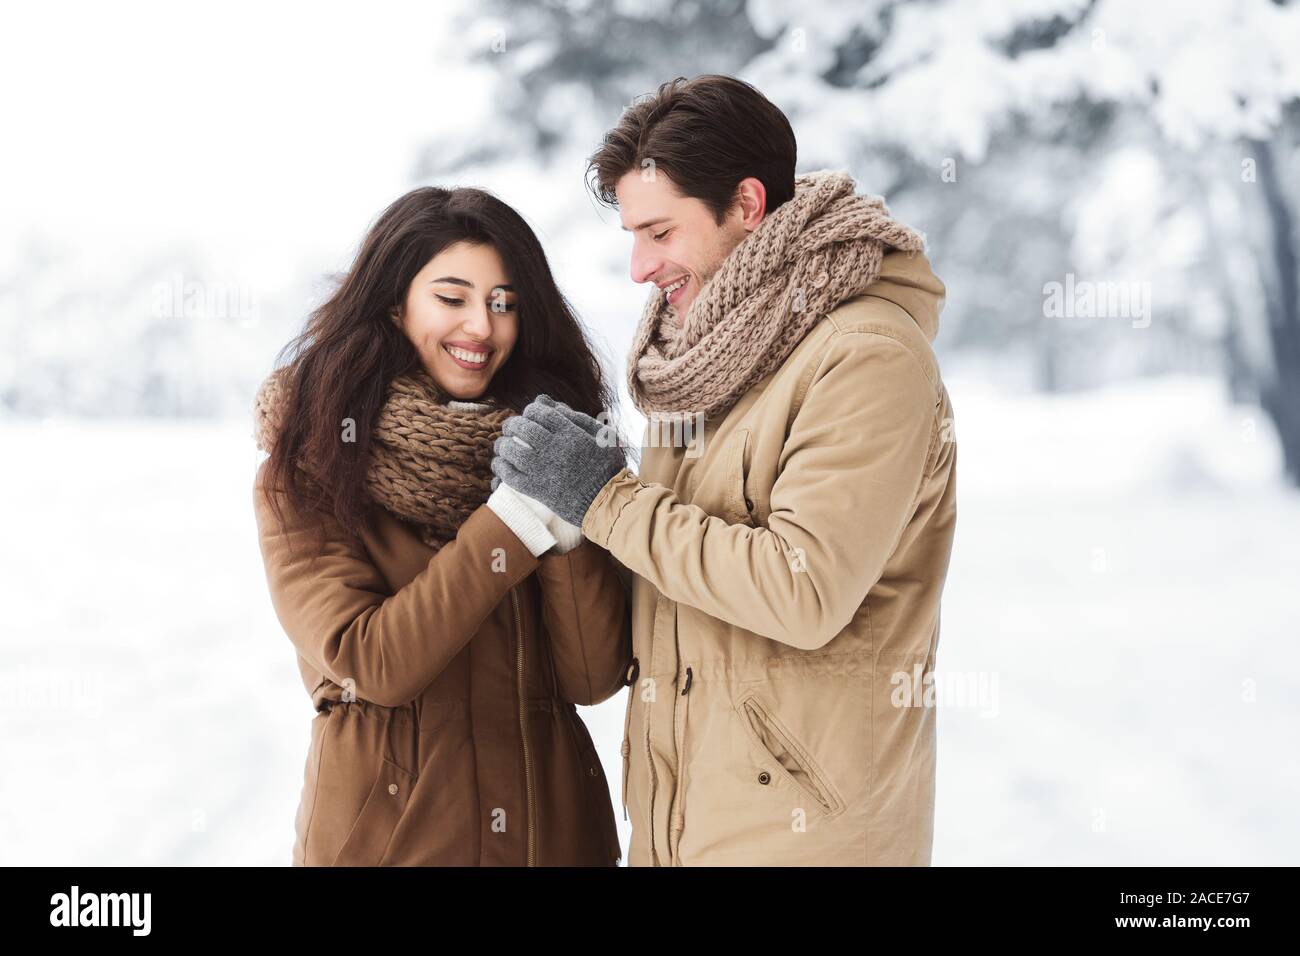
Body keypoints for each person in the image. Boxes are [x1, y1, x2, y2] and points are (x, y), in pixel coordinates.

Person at [491, 75, 958, 866]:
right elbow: (674, 586)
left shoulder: (866, 356)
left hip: (808, 838)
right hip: (683, 825)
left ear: (746, 204)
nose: (640, 267)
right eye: (633, 235)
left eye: (661, 232)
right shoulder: (696, 360)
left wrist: (605, 497)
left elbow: (802, 588)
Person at [253, 185, 631, 866]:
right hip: (394, 844)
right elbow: (372, 663)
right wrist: (514, 520)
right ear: (396, 306)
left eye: (504, 303)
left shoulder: (553, 446)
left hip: (556, 839)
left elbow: (593, 678)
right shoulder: (311, 464)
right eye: (451, 299)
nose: (481, 328)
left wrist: (570, 525)